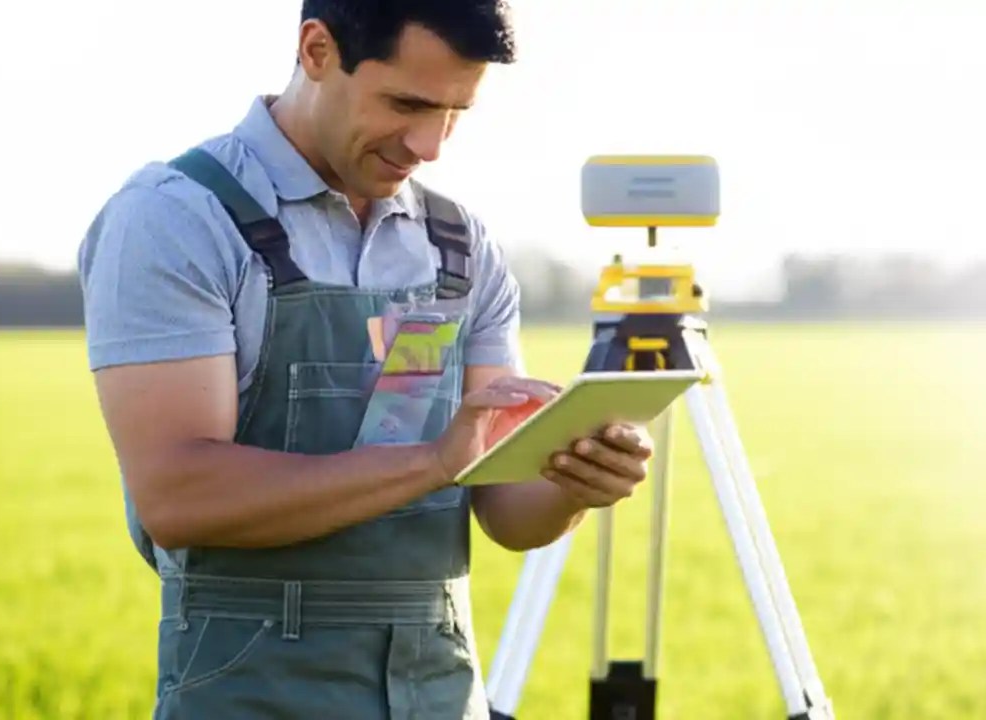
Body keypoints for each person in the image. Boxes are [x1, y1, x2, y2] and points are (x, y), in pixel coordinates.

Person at [77, 1, 654, 717]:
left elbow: (506, 510)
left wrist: (575, 481)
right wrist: (432, 463)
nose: (430, 143)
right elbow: (178, 495)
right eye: (407, 102)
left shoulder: (459, 245)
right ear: (316, 50)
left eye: (455, 112)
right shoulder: (176, 218)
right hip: (248, 693)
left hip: (438, 690)